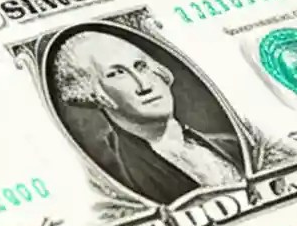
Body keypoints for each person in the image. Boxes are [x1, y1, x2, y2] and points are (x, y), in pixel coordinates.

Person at [52, 30, 244, 203]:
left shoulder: (232, 146)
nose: (145, 85)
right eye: (117, 74)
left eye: (141, 66)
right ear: (92, 93)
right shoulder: (116, 177)